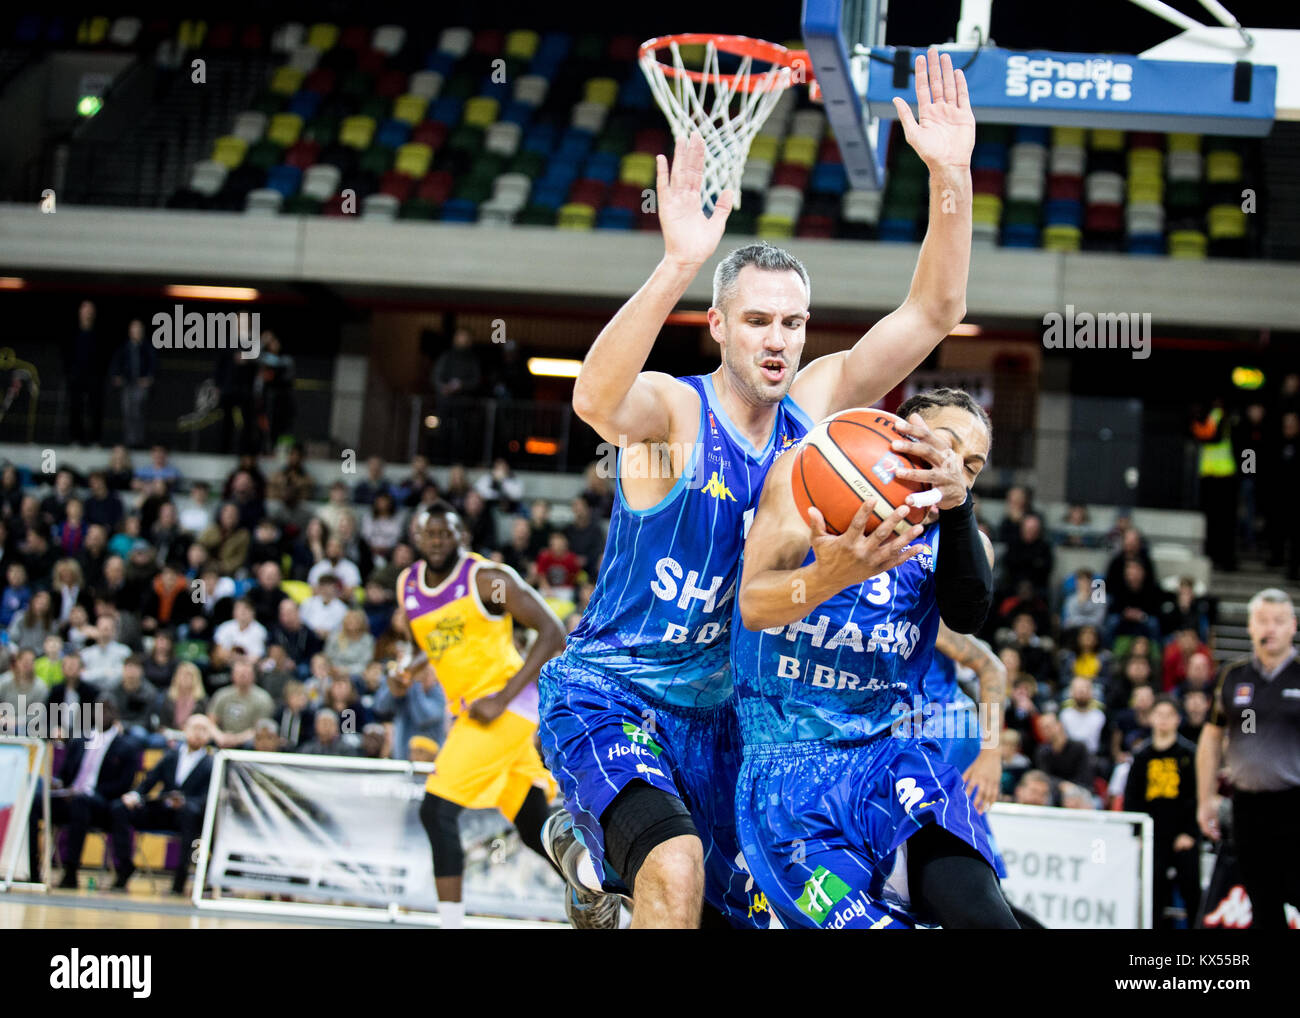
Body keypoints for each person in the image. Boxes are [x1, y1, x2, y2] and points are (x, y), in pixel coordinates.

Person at [539, 52, 976, 930]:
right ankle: (609, 848)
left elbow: (932, 313)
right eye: (759, 320)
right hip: (616, 694)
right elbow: (593, 399)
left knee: (727, 913)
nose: (778, 339)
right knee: (674, 867)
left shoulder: (815, 410)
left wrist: (950, 177)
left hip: (732, 720)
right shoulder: (673, 413)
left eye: (793, 322)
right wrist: (676, 263)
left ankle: (589, 856)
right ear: (722, 325)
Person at [734, 386, 1016, 930]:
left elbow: (970, 619)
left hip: (895, 761)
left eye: (972, 466)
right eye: (946, 446)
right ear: (895, 433)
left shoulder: (961, 541)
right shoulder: (806, 484)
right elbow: (753, 606)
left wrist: (991, 750)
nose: (956, 467)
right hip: (789, 775)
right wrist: (825, 577)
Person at [395, 503, 566, 930]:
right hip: (478, 712)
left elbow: (554, 633)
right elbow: (433, 643)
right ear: (417, 538)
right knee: (533, 827)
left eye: (445, 532)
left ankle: (449, 923)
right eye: (428, 533)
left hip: (506, 709)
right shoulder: (409, 585)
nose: (437, 540)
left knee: (435, 811)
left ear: (461, 536)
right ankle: (617, 900)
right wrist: (409, 670)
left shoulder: (487, 579)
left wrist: (502, 698)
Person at [1197, 588, 1300, 930]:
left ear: (1293, 626)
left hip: (1293, 801)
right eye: (1261, 620)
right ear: (1249, 626)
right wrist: (1205, 799)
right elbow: (1211, 739)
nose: (1269, 628)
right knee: (1262, 899)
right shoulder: (1233, 676)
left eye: (1278, 621)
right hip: (1247, 806)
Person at [31, 699, 140, 888]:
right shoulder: (80, 740)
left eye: (107, 711)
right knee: (34, 803)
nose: (102, 715)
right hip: (72, 798)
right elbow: (64, 775)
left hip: (102, 804)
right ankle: (32, 869)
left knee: (81, 801)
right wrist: (57, 784)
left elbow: (124, 785)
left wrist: (85, 793)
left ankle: (71, 870)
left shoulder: (127, 746)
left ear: (115, 716)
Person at [110, 714, 214, 894]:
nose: (198, 733)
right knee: (120, 808)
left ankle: (179, 883)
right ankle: (124, 869)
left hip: (189, 817)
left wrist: (184, 802)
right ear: (185, 730)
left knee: (189, 814)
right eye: (194, 728)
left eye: (203, 729)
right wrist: (135, 795)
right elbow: (150, 780)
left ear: (209, 735)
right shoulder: (171, 756)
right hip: (163, 812)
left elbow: (209, 797)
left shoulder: (211, 763)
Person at [1123, 696, 1201, 929]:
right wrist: (1137, 833)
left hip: (1184, 834)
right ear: (1151, 718)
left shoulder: (1189, 753)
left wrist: (1190, 832)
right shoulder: (1142, 755)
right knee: (1152, 893)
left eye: (1169, 715)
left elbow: (1197, 796)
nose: (1164, 720)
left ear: (1178, 719)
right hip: (1152, 835)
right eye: (1159, 715)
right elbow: (1132, 798)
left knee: (1191, 892)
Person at [108, 318, 157, 449]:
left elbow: (153, 365)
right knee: (128, 412)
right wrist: (116, 376)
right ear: (130, 331)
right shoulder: (124, 347)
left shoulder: (147, 348)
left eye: (139, 329)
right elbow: (116, 364)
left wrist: (149, 378)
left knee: (139, 411)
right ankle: (129, 441)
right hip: (127, 384)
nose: (137, 331)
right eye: (134, 329)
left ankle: (139, 441)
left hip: (140, 385)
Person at [208, 658, 275, 748]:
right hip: (222, 738)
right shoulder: (222, 695)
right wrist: (220, 736)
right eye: (239, 673)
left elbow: (259, 729)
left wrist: (236, 739)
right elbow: (211, 722)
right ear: (233, 675)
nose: (243, 676)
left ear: (253, 676)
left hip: (248, 741)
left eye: (246, 674)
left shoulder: (262, 698)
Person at [64, 300, 104, 445]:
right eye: (85, 310)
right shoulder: (72, 333)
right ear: (80, 312)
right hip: (76, 377)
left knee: (95, 409)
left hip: (94, 377)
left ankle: (95, 440)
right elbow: (66, 355)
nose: (88, 313)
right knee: (75, 407)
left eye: (90, 310)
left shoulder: (99, 334)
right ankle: (76, 439)